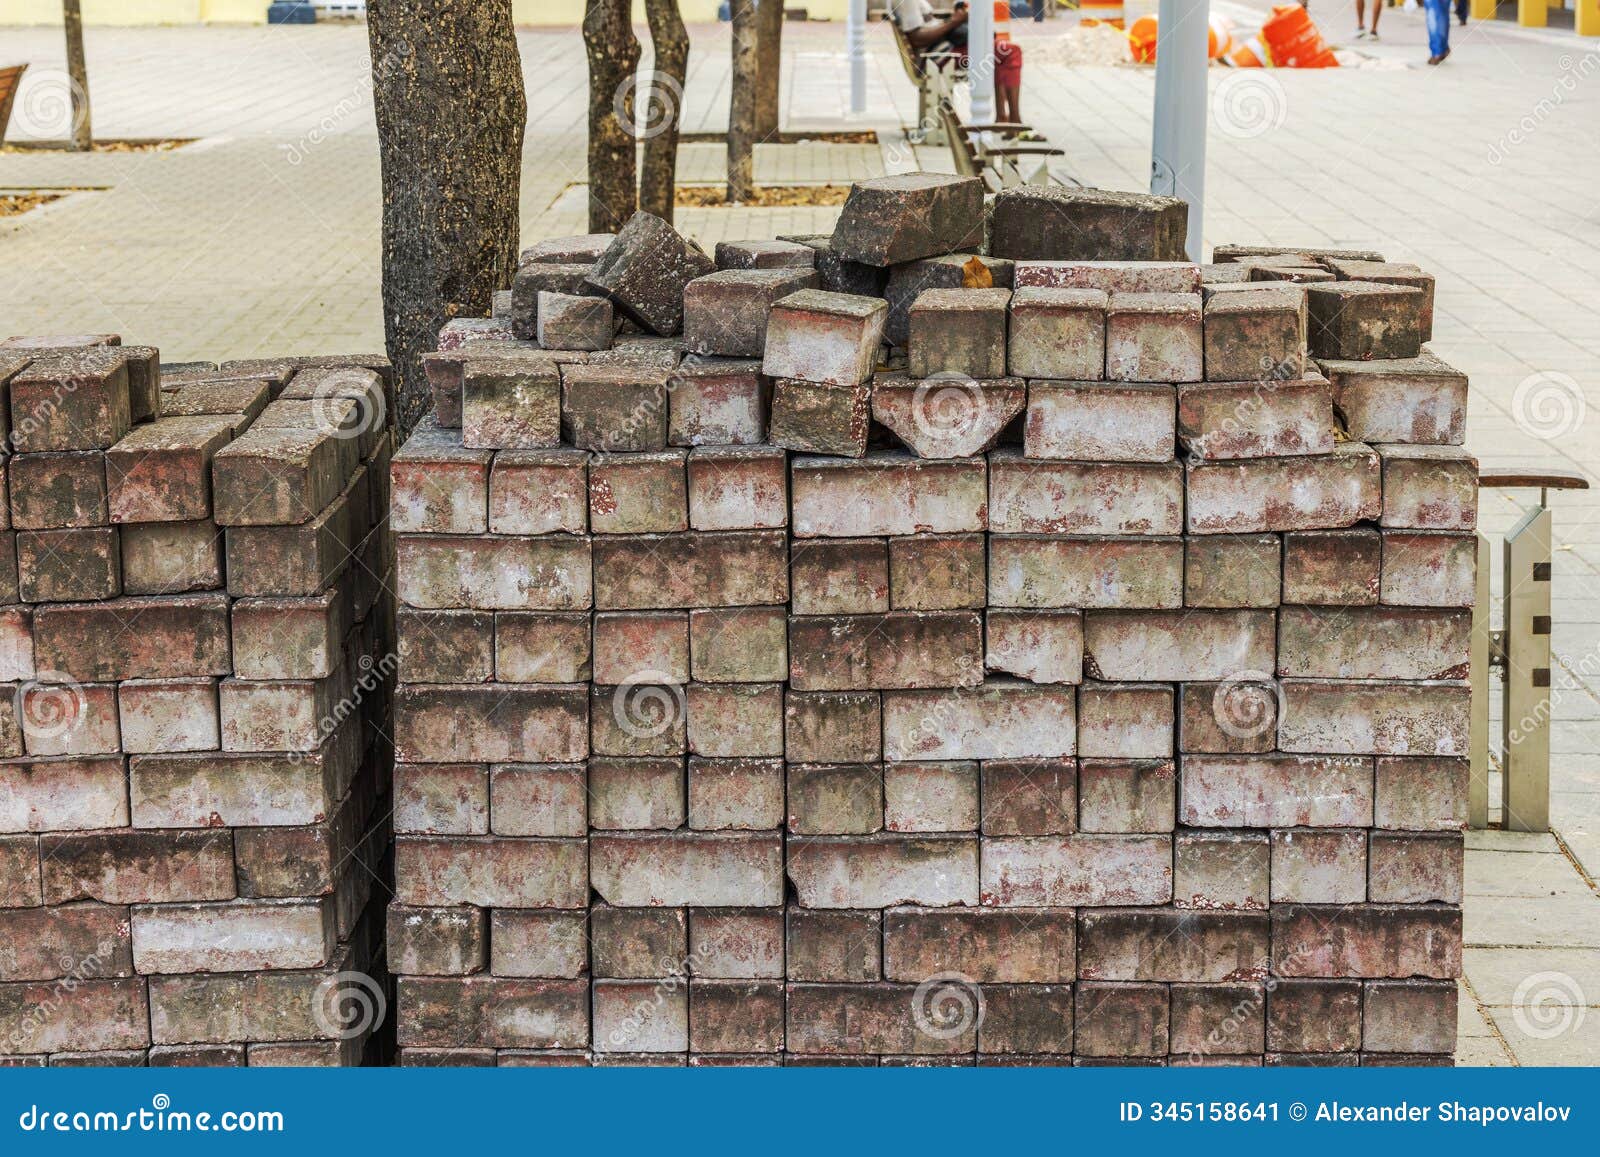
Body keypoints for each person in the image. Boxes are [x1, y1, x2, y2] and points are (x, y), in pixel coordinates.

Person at [890, 0, 970, 55]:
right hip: (938, 53)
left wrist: (953, 20)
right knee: (979, 44)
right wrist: (954, 22)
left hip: (943, 43)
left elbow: (928, 24)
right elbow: (917, 40)